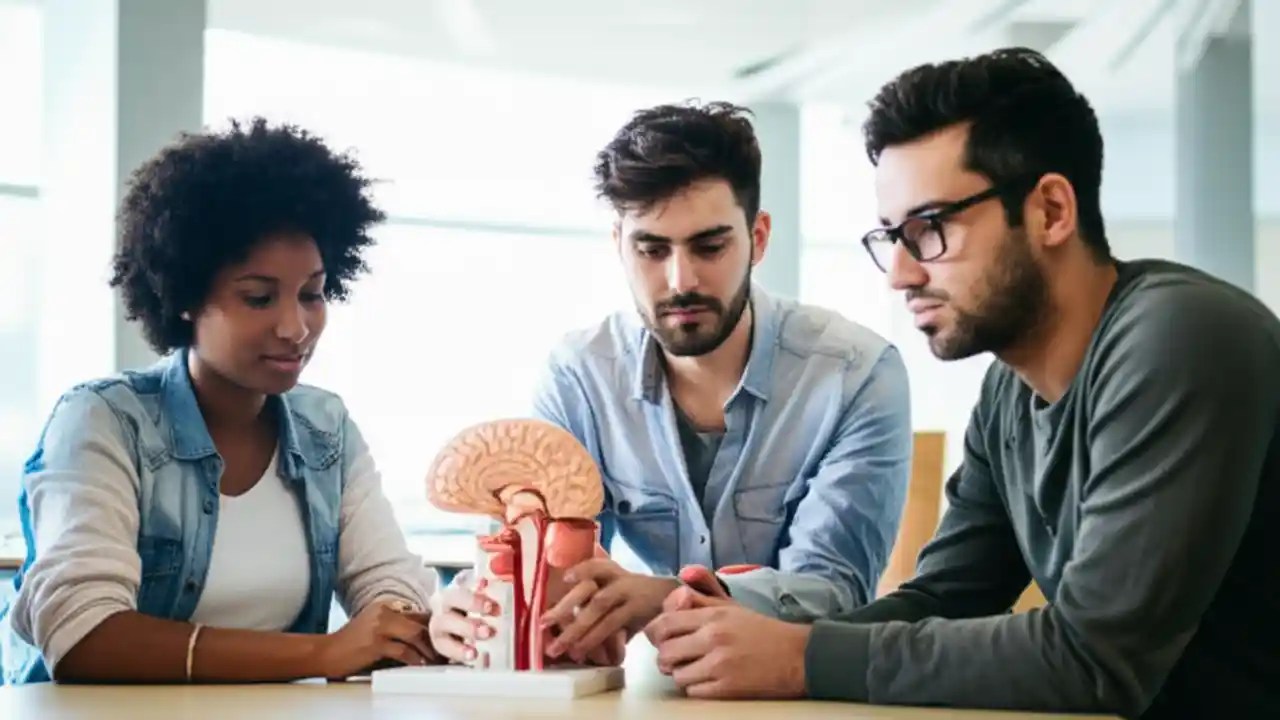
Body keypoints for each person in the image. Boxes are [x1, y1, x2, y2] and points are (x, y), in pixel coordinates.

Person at [642, 47, 1280, 718]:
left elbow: (1094, 659)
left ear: (1052, 211)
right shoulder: (1010, 392)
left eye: (931, 228)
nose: (901, 274)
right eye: (892, 236)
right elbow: (944, 597)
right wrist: (758, 640)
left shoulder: (1184, 336)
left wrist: (800, 658)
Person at [428, 100, 913, 666]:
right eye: (652, 250)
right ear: (619, 245)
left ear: (758, 238)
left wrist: (662, 599)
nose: (681, 281)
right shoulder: (581, 377)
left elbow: (835, 591)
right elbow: (546, 565)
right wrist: (485, 605)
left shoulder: (857, 375)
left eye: (710, 247)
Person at [0, 118, 441, 684]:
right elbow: (84, 634)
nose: (296, 327)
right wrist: (324, 654)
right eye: (258, 298)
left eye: (312, 294)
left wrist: (417, 623)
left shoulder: (325, 427)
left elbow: (390, 588)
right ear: (184, 296)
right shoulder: (104, 422)